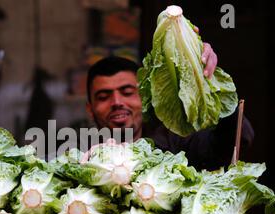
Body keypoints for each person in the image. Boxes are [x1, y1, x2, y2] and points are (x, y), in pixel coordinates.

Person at [85, 53, 254, 171]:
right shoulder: (76, 155)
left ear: (145, 97)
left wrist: (209, 80)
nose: (117, 102)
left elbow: (234, 139)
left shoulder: (178, 144)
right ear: (90, 110)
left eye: (127, 92)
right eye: (103, 97)